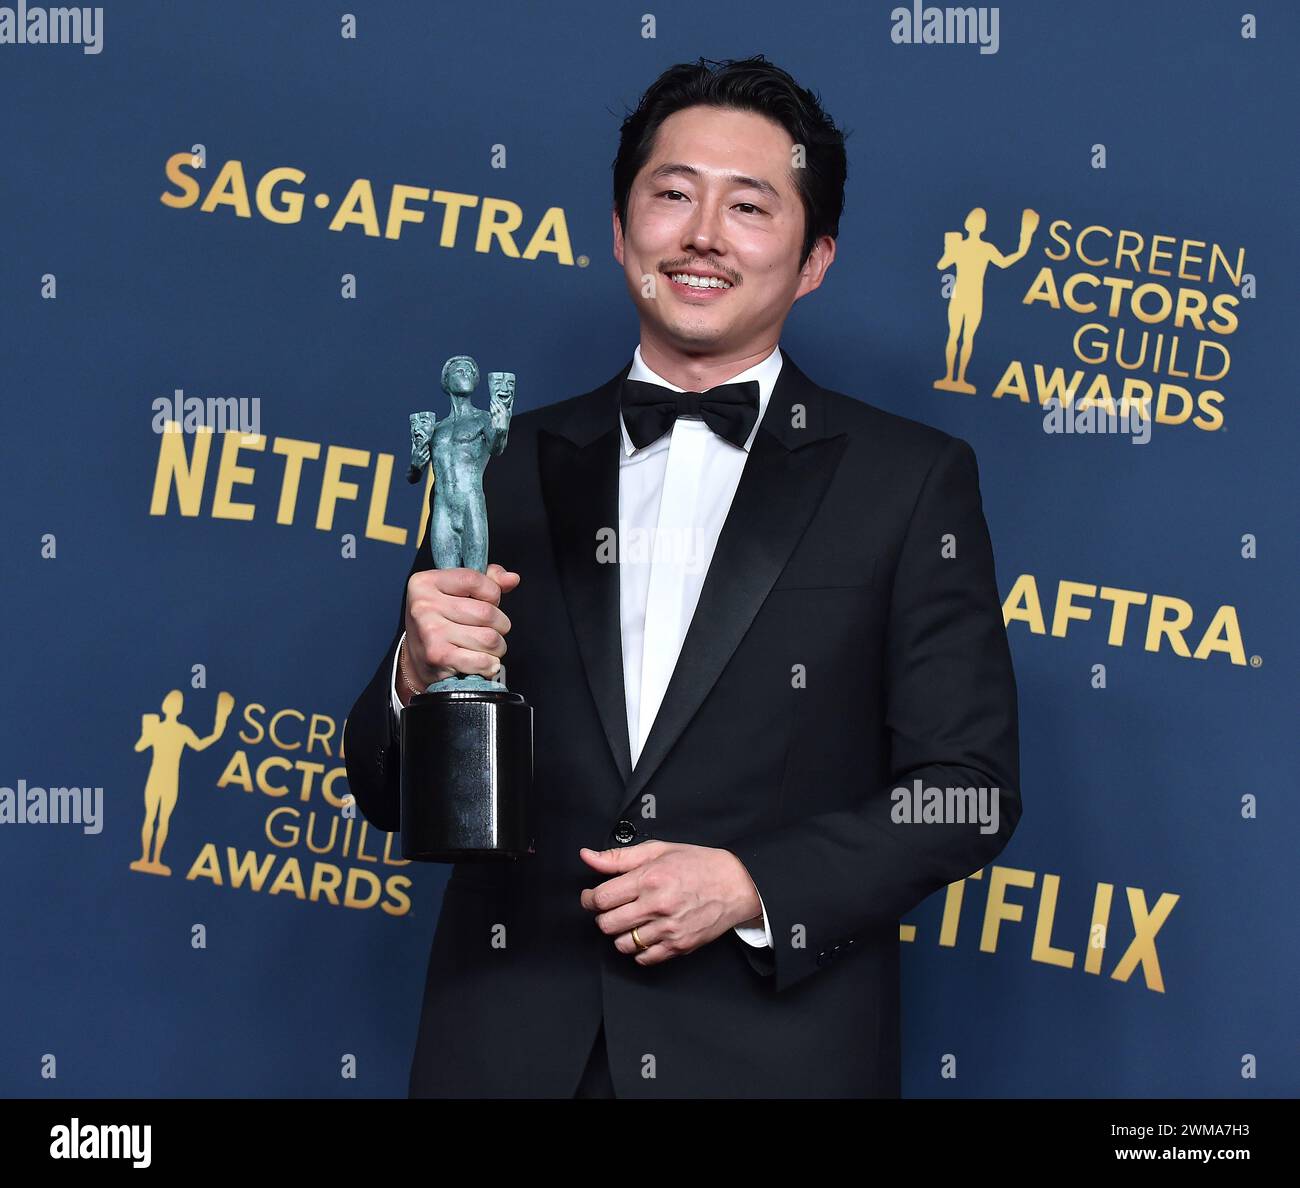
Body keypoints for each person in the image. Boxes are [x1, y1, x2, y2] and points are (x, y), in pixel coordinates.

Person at [343, 54, 1021, 1099]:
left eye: (749, 205)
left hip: (772, 1059)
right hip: (507, 1048)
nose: (703, 234)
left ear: (814, 259)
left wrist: (753, 885)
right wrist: (413, 680)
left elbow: (965, 791)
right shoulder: (495, 466)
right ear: (621, 232)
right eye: (672, 195)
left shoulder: (909, 481)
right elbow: (389, 792)